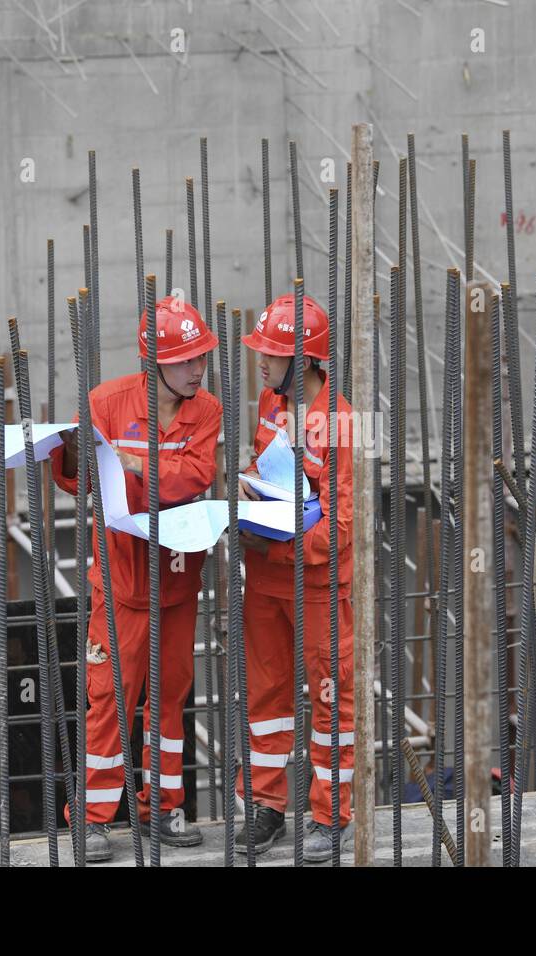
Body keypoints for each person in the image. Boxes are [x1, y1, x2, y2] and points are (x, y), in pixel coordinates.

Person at [50, 296, 220, 862]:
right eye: (187, 359)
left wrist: (136, 464)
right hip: (122, 577)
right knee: (111, 695)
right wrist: (74, 455)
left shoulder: (207, 411)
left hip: (176, 576)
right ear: (155, 364)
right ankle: (94, 817)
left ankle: (163, 805)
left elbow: (195, 476)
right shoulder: (106, 403)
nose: (198, 368)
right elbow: (76, 482)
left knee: (171, 694)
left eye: (202, 357)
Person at [234, 292, 355, 862]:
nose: (260, 360)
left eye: (272, 352)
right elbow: (267, 470)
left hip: (316, 588)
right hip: (264, 582)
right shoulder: (269, 402)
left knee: (330, 699)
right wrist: (249, 494)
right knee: (267, 696)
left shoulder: (338, 422)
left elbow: (342, 525)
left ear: (303, 360)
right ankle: (266, 805)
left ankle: (331, 816)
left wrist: (277, 543)